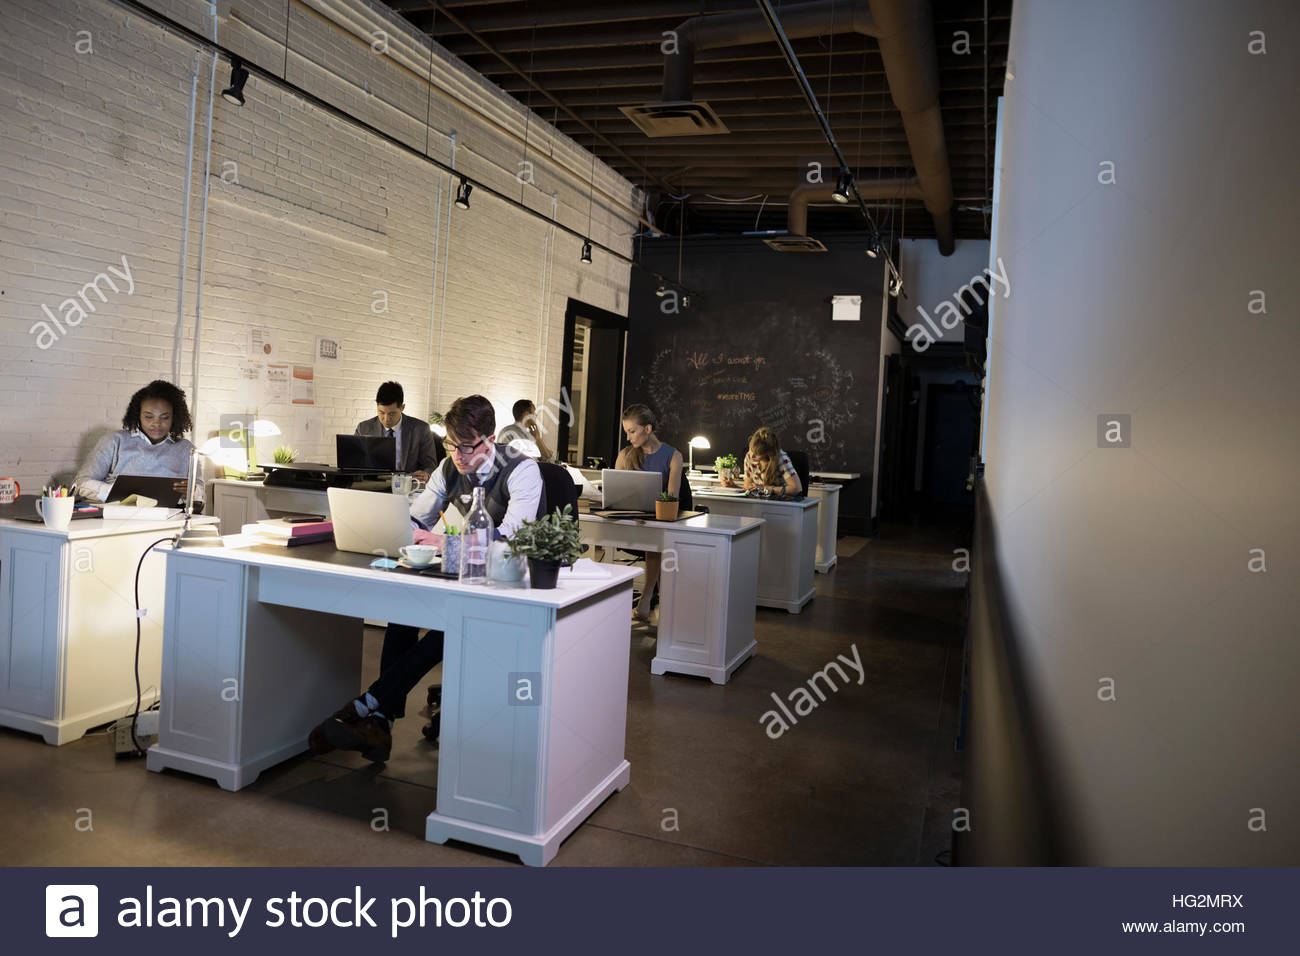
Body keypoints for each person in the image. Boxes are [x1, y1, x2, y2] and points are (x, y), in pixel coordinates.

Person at [310, 394, 545, 763]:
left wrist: (442, 539)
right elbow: (418, 518)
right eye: (452, 446)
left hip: (514, 581)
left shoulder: (522, 469)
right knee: (402, 615)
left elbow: (512, 536)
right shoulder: (449, 467)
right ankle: (380, 723)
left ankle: (369, 705)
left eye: (467, 447)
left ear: (492, 436)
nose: (459, 456)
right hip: (465, 572)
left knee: (447, 627)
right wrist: (392, 528)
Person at [73, 379, 201, 504]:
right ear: (138, 415)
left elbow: (200, 493)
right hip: (118, 514)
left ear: (174, 417)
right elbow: (82, 482)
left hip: (168, 516)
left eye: (165, 417)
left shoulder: (186, 449)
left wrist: (192, 492)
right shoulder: (115, 441)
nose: (156, 423)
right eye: (149, 416)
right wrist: (120, 494)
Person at [615, 403, 682, 623]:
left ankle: (646, 599)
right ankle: (656, 601)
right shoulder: (625, 455)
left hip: (658, 524)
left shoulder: (673, 456)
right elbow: (616, 495)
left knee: (657, 540)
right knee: (657, 542)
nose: (628, 438)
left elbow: (671, 498)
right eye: (626, 432)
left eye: (632, 431)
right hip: (628, 523)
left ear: (648, 429)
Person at [355, 381, 441, 482]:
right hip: (373, 485)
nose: (386, 419)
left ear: (402, 407)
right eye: (381, 412)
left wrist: (426, 474)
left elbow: (430, 466)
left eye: (392, 414)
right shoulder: (364, 428)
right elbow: (354, 464)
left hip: (407, 486)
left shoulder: (421, 429)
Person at [721, 426, 802, 496]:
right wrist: (733, 487)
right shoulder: (749, 457)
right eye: (751, 450)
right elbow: (748, 490)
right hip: (758, 503)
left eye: (757, 453)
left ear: (768, 453)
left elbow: (796, 488)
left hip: (780, 503)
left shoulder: (781, 458)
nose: (752, 456)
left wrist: (768, 489)